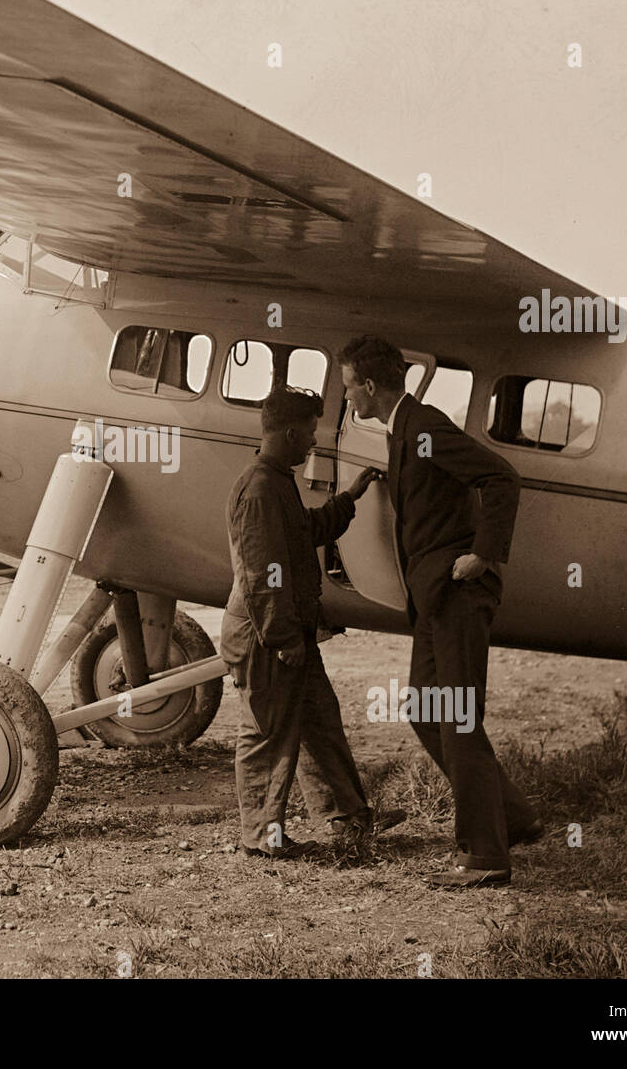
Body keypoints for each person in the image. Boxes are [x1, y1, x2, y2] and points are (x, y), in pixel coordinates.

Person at [338, 335, 542, 887]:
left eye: (350, 387)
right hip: (433, 597)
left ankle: (485, 857)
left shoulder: (423, 427)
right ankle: (514, 818)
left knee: (454, 718)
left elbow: (501, 478)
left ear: (371, 386)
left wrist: (484, 555)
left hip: (457, 594)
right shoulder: (405, 431)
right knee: (428, 712)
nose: (348, 397)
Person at [221, 384, 403, 859]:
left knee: (319, 722)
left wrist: (351, 496)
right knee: (266, 733)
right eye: (307, 434)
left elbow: (308, 532)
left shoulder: (277, 480)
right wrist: (284, 640)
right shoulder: (261, 489)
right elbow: (262, 576)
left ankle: (347, 818)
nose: (313, 443)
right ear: (287, 432)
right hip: (267, 633)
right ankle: (261, 838)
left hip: (286, 629)